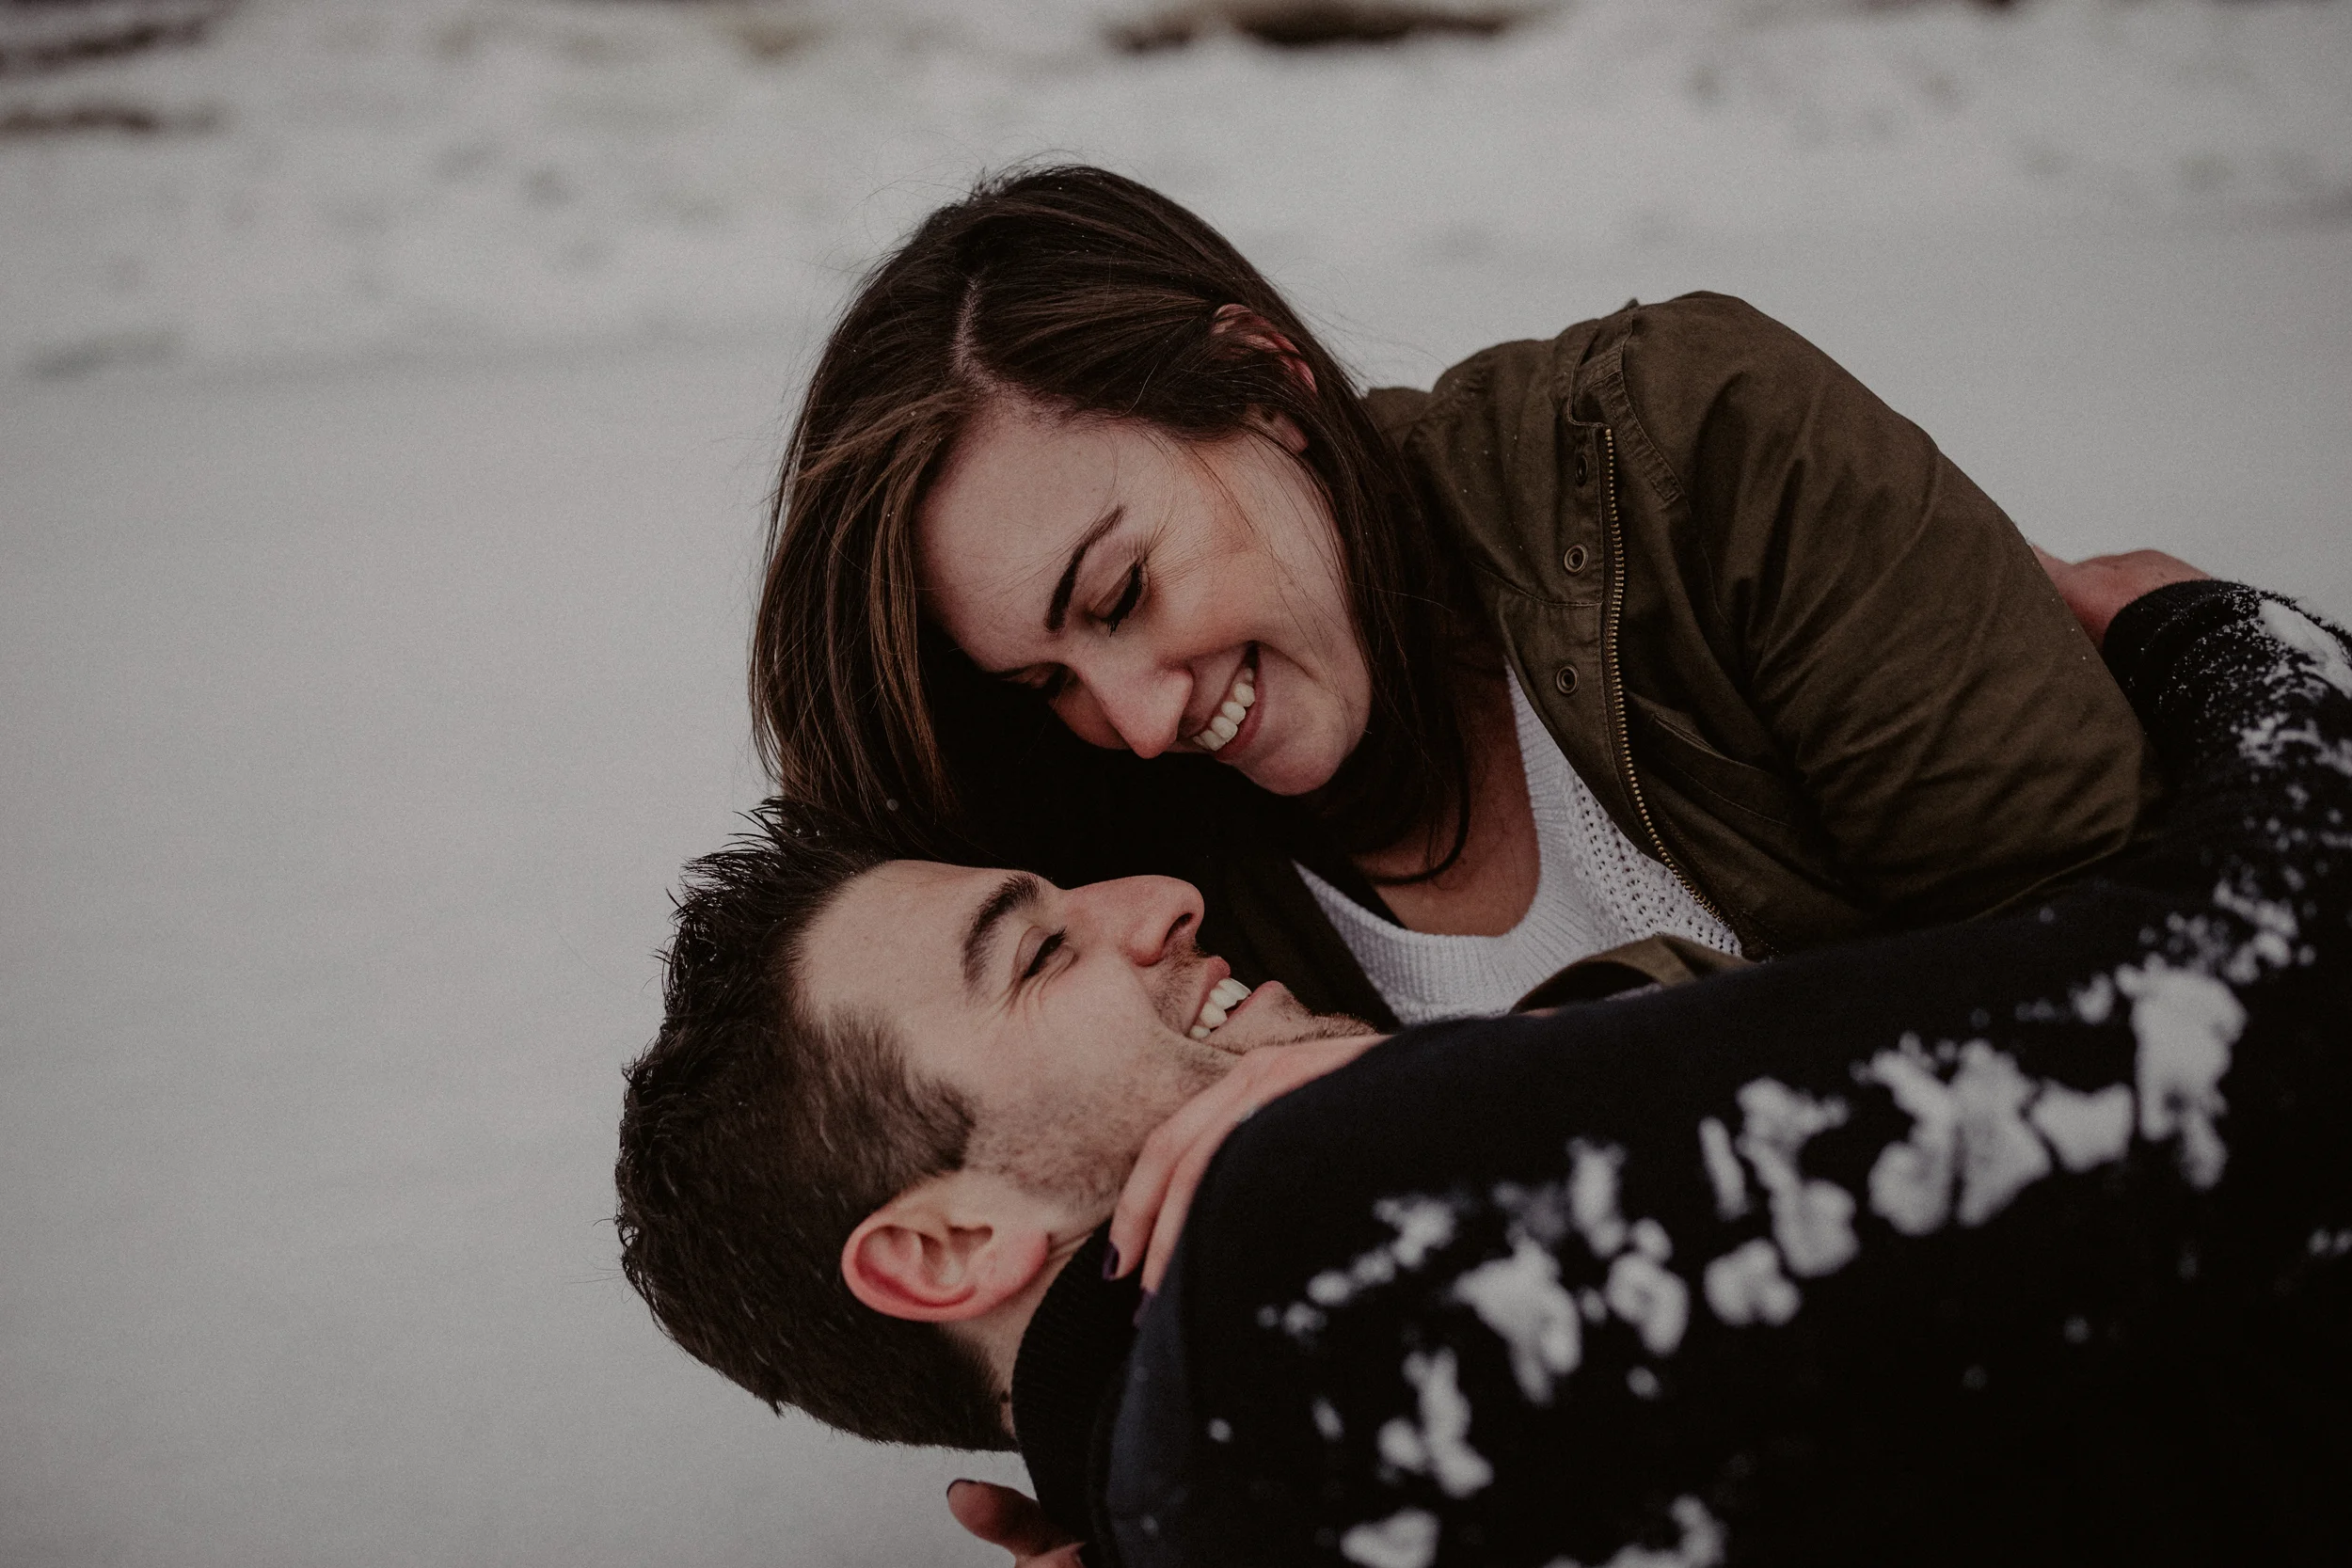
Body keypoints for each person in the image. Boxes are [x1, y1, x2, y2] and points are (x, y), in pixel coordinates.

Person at [618, 579, 2352, 1566]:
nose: (1158, 899)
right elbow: (2277, 990)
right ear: (943, 1244)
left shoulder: (1190, 1502)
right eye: (1038, 950)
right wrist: (2205, 633)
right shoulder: (1307, 1237)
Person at [750, 163, 2161, 1044]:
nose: (1135, 721)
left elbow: (2123, 1001)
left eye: (1121, 593)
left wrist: (1408, 1119)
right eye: (1045, 680)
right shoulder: (1135, 877)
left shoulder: (1695, 452)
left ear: (1269, 383)